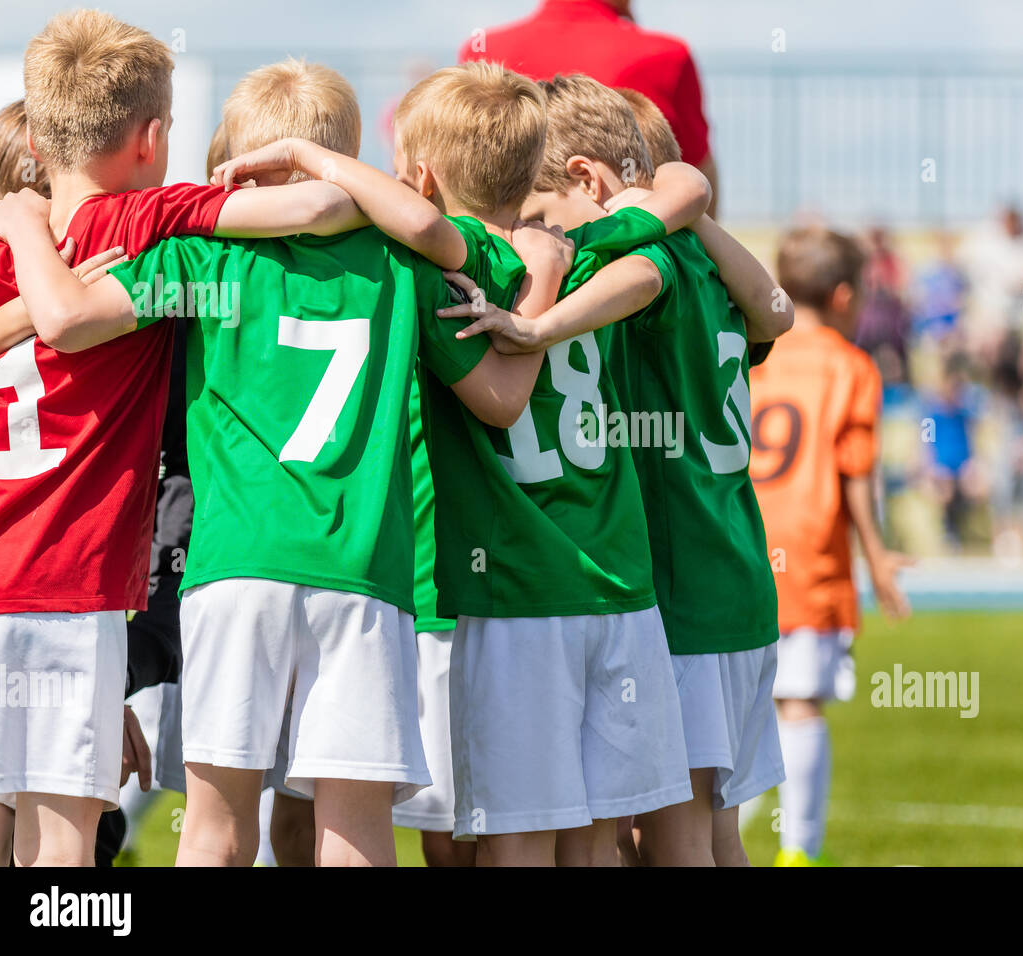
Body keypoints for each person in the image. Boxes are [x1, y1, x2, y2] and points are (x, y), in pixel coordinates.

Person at [215, 61, 711, 866]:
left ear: (420, 175)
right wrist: (548, 276)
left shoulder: (443, 269)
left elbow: (497, 397)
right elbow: (684, 189)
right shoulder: (579, 244)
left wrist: (318, 161)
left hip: (512, 595)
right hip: (621, 581)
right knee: (593, 842)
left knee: (513, 840)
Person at [0, 9, 369, 868]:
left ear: (36, 144)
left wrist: (19, 233)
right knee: (62, 859)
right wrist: (300, 159)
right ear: (153, 137)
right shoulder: (152, 225)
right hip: (70, 589)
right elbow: (329, 203)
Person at [457, 74, 792, 865]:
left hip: (684, 591)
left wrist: (540, 322)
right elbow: (775, 309)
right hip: (733, 576)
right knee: (703, 832)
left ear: (587, 181)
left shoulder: (643, 265)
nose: (532, 235)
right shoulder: (711, 264)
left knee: (677, 839)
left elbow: (643, 273)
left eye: (539, 214)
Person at [750, 225, 912, 866]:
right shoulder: (852, 366)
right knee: (801, 702)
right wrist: (877, 556)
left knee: (732, 706)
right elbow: (855, 473)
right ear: (846, 296)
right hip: (810, 551)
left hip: (741, 541)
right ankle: (798, 853)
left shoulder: (754, 349)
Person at [459, 0, 719, 216]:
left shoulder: (481, 50)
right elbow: (698, 170)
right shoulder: (666, 54)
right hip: (626, 236)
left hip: (504, 236)